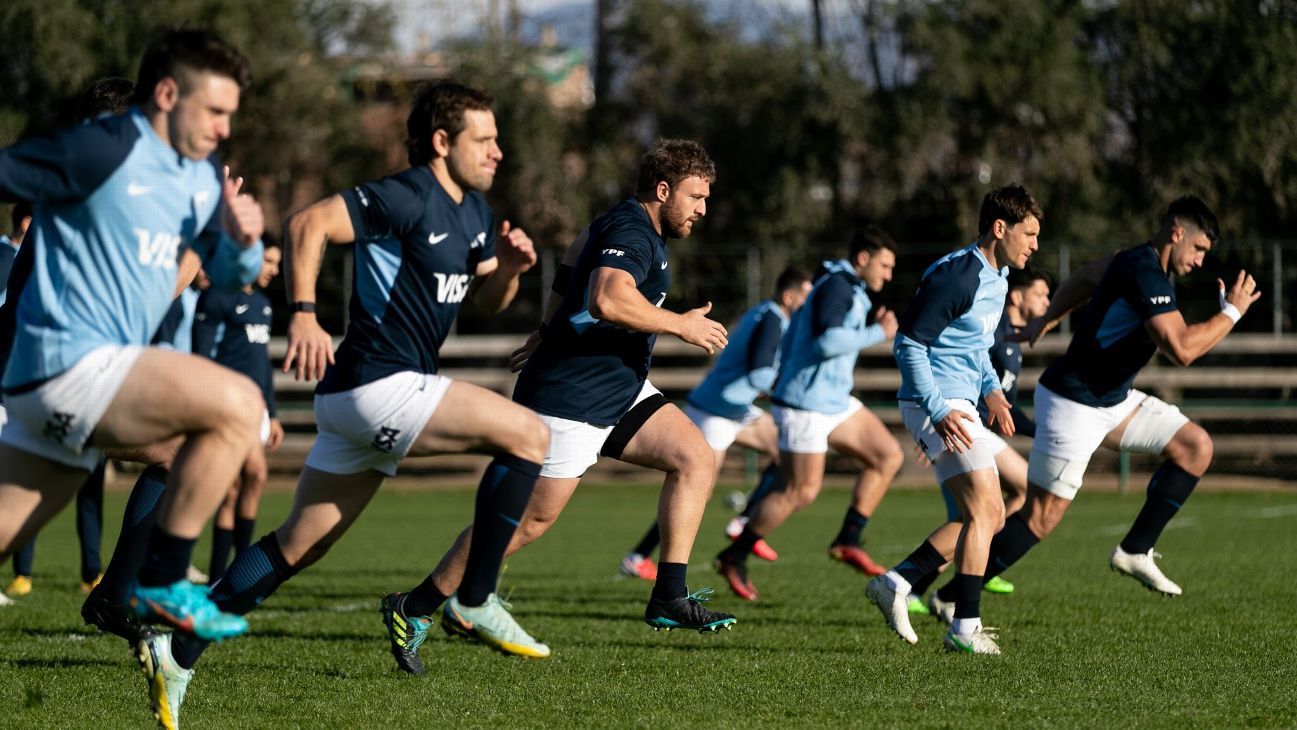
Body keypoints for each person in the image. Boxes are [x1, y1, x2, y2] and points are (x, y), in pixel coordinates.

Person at [145, 80, 553, 727]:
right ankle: (471, 598)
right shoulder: (405, 193)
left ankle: (177, 648)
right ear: (442, 143)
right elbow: (307, 223)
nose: (498, 151)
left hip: (361, 399)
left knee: (298, 545)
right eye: (485, 138)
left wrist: (507, 269)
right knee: (529, 435)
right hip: (377, 384)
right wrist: (303, 314)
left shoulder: (473, 212)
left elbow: (485, 302)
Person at [380, 138, 737, 677]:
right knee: (524, 524)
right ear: (662, 191)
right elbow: (606, 298)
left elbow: (570, 263)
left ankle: (669, 594)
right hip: (573, 399)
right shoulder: (632, 231)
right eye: (695, 197)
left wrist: (546, 326)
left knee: (695, 457)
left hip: (619, 388)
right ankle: (416, 606)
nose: (702, 210)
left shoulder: (618, 222)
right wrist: (681, 324)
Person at [0, 28, 266, 650]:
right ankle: (162, 582)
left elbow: (215, 279)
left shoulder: (191, 183)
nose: (225, 129)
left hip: (82, 376)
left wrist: (234, 239)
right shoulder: (104, 150)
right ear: (168, 96)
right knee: (236, 408)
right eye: (214, 111)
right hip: (54, 364)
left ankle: (125, 592)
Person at [920, 196, 1259, 621]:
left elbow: (1083, 277)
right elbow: (1181, 349)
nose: (1200, 261)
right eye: (1199, 249)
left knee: (1195, 447)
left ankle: (1135, 550)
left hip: (1114, 400)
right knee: (1039, 517)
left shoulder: (1130, 260)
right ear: (1176, 232)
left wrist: (1048, 318)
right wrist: (1232, 311)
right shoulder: (1146, 274)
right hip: (1074, 403)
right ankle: (950, 595)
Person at [865, 185, 1041, 655]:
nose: (1035, 245)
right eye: (1029, 234)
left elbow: (975, 347)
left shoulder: (998, 278)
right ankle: (964, 626)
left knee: (989, 513)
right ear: (1000, 228)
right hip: (935, 401)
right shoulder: (958, 275)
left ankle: (897, 581)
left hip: (960, 400)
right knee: (988, 510)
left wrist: (992, 391)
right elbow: (909, 345)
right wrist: (939, 410)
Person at [4, 79, 141, 601]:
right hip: (48, 380)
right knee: (196, 438)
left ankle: (115, 590)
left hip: (41, 376)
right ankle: (120, 596)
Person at [715, 226, 903, 602]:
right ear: (862, 259)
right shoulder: (839, 285)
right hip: (805, 406)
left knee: (888, 456)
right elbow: (827, 341)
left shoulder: (848, 286)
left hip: (833, 400)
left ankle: (849, 539)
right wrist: (877, 332)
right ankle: (734, 555)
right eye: (884, 265)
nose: (888, 274)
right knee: (800, 491)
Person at [618, 265, 813, 580]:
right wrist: (787, 386)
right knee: (696, 488)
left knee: (787, 448)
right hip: (715, 411)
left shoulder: (769, 314)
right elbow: (760, 372)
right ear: (789, 297)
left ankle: (743, 523)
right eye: (806, 297)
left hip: (735, 408)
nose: (809, 304)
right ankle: (637, 557)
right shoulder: (772, 320)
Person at [901, 265, 1052, 614]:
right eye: (1041, 294)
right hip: (963, 424)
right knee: (975, 519)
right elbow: (925, 349)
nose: (1046, 301)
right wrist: (935, 421)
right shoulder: (993, 328)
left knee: (987, 513)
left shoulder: (1011, 336)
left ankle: (967, 570)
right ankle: (913, 584)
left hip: (974, 427)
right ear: (1017, 295)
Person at [192, 245, 286, 583]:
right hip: (226, 405)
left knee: (251, 481)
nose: (274, 269)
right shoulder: (217, 297)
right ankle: (226, 574)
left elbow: (262, 365)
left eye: (278, 263)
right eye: (269, 261)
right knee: (240, 482)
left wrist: (272, 414)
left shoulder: (263, 305)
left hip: (256, 409)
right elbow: (201, 357)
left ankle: (232, 572)